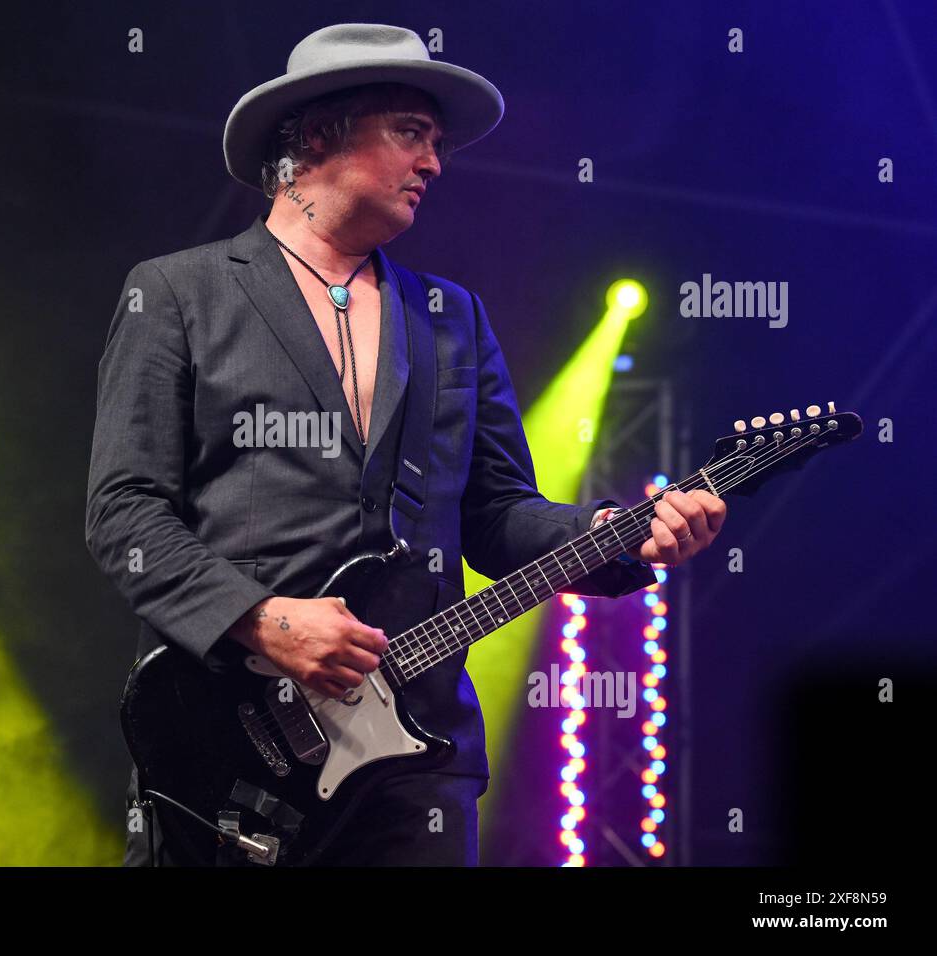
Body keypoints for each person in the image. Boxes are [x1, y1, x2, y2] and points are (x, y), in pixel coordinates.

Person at [85, 23, 726, 866]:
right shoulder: (177, 292)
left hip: (416, 754)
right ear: (317, 135)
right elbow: (124, 514)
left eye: (437, 143)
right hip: (223, 745)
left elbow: (498, 517)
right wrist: (263, 620)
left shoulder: (450, 317)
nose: (435, 162)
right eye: (411, 134)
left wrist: (620, 532)